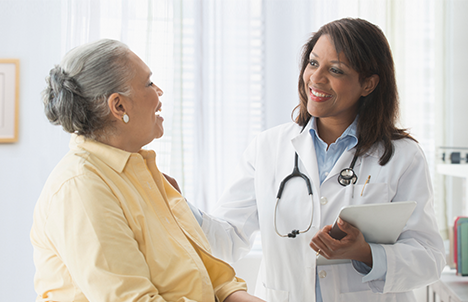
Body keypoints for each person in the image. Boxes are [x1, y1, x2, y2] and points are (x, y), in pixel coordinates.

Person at [192, 18, 446, 301]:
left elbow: (430, 258)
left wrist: (365, 252)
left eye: (335, 70)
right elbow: (226, 238)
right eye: (313, 63)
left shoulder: (402, 157)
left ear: (369, 84)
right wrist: (174, 203)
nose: (316, 78)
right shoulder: (268, 147)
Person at [30, 39, 265, 302]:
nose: (160, 93)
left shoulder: (143, 173)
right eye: (149, 83)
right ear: (119, 106)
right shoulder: (80, 188)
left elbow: (211, 277)